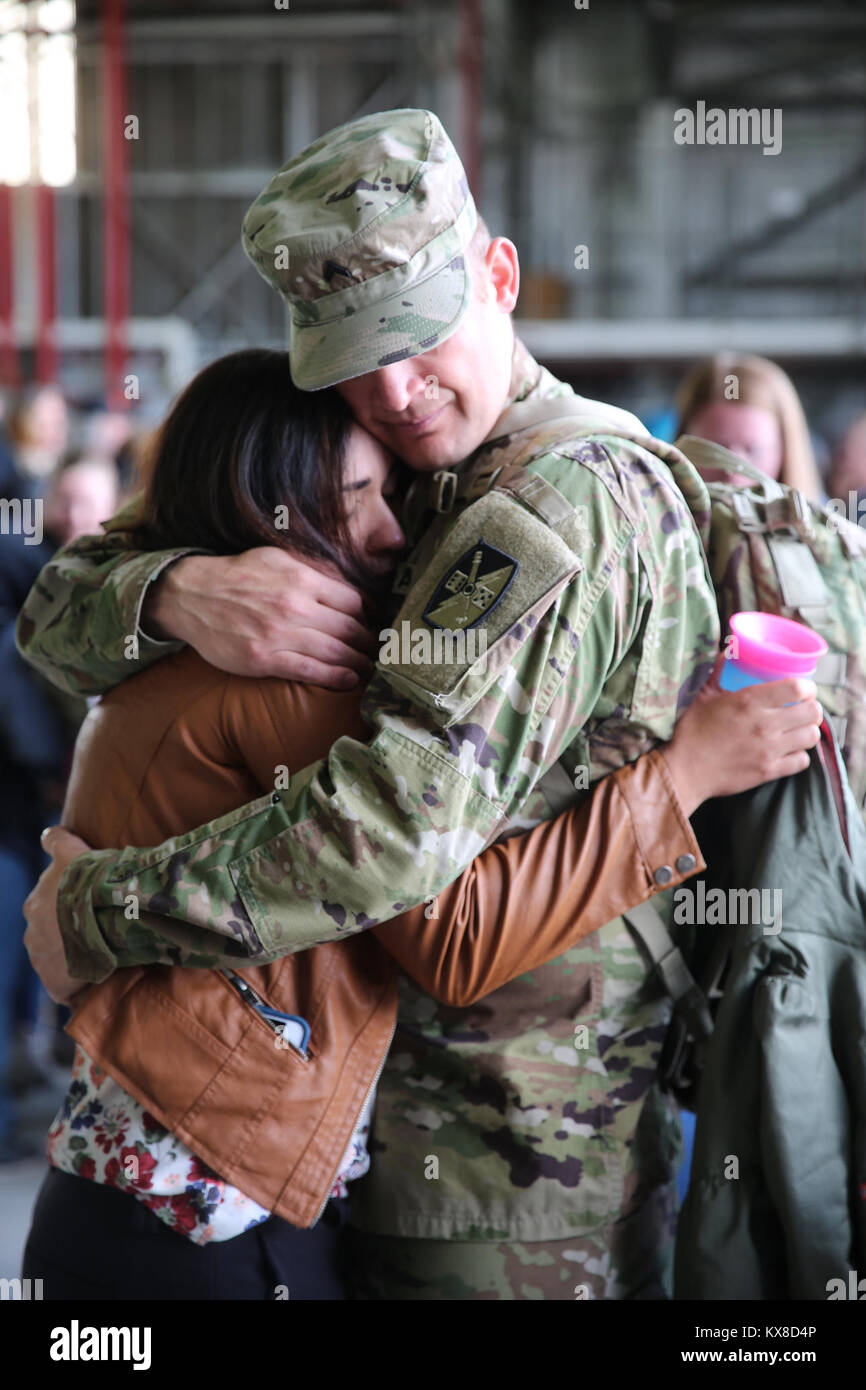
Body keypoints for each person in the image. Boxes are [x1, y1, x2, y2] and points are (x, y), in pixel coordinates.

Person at [19, 109, 823, 1300]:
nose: (391, 390)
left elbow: (382, 845)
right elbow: (55, 608)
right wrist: (178, 589)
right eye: (350, 355)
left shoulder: (541, 510)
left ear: (497, 277)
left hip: (504, 1172)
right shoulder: (410, 463)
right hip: (379, 1149)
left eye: (416, 337)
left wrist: (99, 908)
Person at [0, 454, 118, 1159]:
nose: (75, 515)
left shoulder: (118, 582)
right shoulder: (30, 570)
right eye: (65, 498)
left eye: (89, 500)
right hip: (35, 806)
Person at [675, 353, 824, 499]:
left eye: (753, 450)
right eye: (715, 451)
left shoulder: (828, 521)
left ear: (785, 451)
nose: (732, 476)